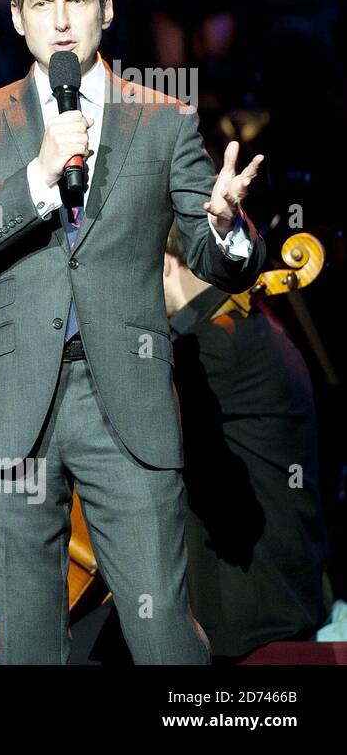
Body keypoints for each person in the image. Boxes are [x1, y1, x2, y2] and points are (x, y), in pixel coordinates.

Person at [0, 0, 266, 664]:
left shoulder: (164, 118)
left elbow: (214, 255)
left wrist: (229, 228)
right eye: (42, 3)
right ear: (17, 17)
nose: (62, 20)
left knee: (163, 632)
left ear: (107, 8)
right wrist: (38, 180)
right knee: (29, 646)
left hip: (126, 397)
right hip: (9, 402)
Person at [163, 221, 329, 659]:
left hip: (249, 620)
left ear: (161, 265)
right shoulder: (243, 327)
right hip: (274, 602)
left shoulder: (212, 346)